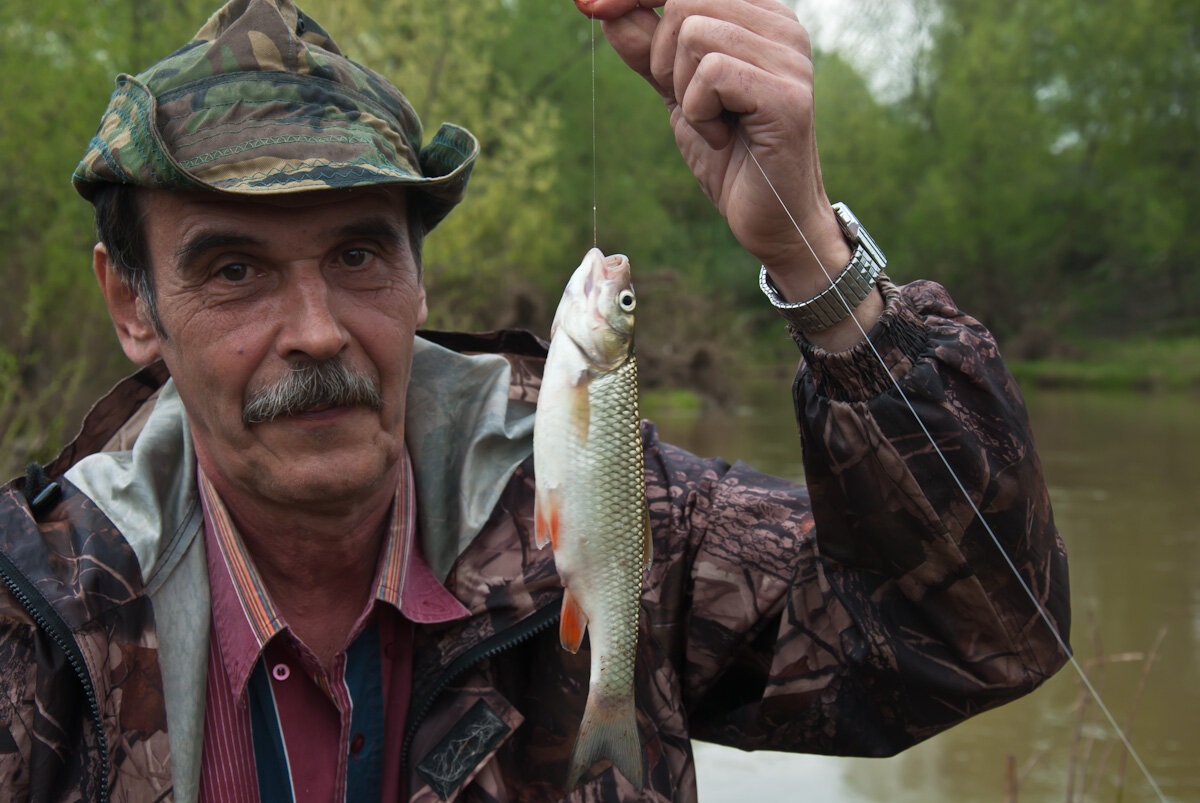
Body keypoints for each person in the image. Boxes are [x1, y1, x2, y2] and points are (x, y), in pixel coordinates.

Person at [0, 0, 1070, 800]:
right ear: (132, 306)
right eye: (233, 270)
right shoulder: (35, 620)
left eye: (361, 252)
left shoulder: (620, 511)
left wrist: (815, 263)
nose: (317, 328)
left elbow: (969, 637)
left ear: (420, 278)